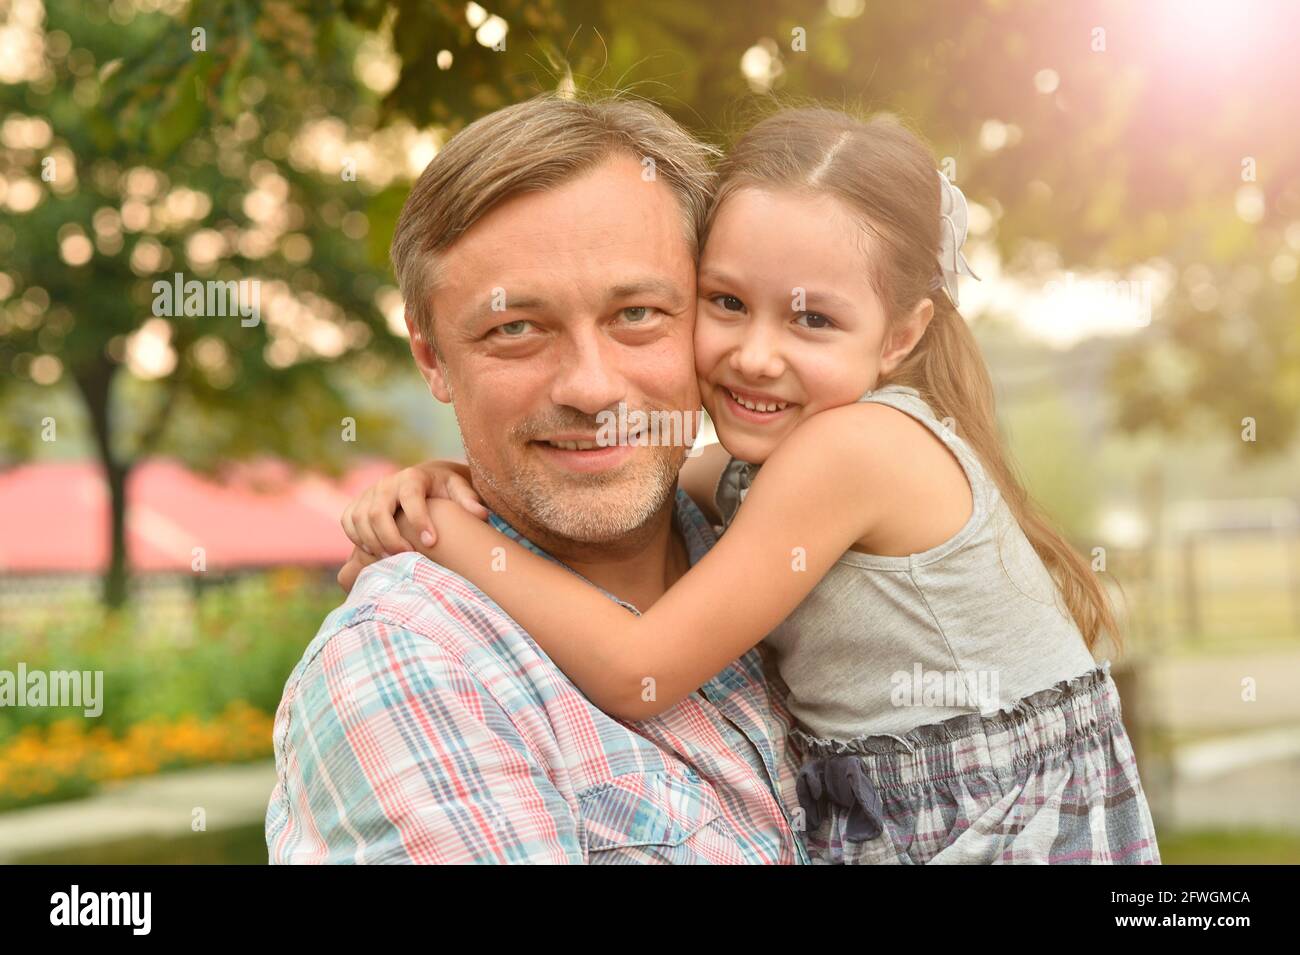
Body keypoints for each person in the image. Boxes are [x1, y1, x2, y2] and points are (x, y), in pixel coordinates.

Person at [340, 107, 1162, 865]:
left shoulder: (854, 449)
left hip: (999, 829)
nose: (756, 354)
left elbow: (639, 672)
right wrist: (452, 481)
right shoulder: (771, 468)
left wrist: (444, 535)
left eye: (812, 319)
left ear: (901, 334)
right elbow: (626, 448)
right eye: (727, 302)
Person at [266, 92, 809, 864]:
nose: (590, 388)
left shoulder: (792, 553)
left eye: (638, 313)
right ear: (432, 358)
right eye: (515, 329)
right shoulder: (413, 663)